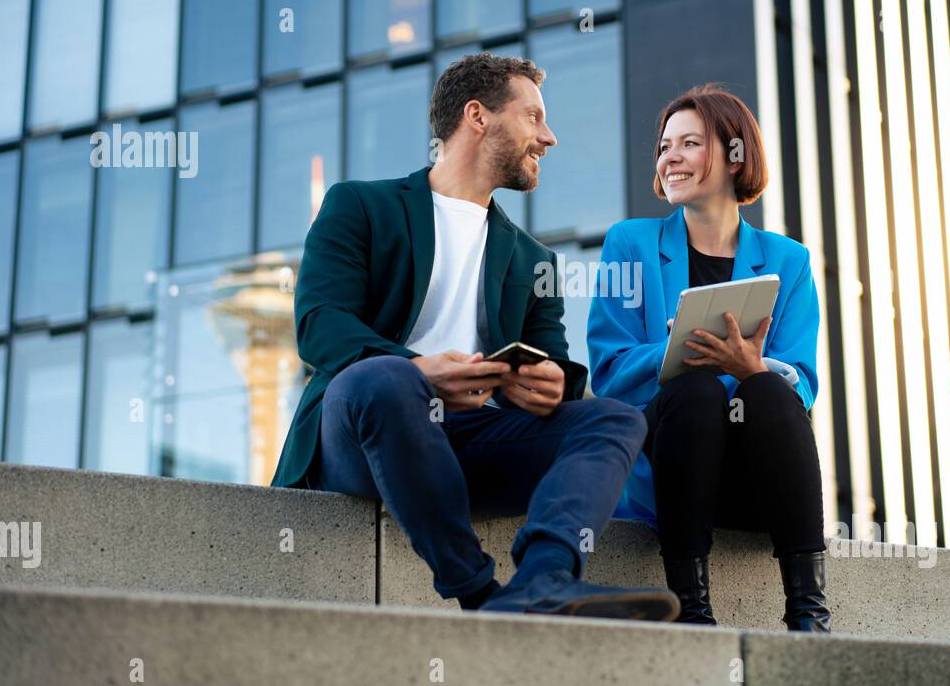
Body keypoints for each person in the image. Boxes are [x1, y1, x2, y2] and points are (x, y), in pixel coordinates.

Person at [271, 52, 678, 622]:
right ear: (477, 116)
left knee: (614, 418)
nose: (549, 137)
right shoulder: (360, 205)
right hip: (364, 431)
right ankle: (481, 592)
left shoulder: (533, 259)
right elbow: (321, 327)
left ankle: (545, 578)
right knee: (387, 377)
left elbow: (553, 364)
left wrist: (548, 385)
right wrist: (419, 371)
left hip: (475, 444)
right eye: (533, 117)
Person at [586, 83, 830, 632]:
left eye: (689, 143)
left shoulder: (788, 260)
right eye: (665, 146)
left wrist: (752, 367)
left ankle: (809, 613)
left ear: (734, 153)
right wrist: (672, 354)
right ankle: (692, 610)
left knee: (769, 388)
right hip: (670, 469)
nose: (670, 157)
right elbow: (607, 372)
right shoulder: (630, 243)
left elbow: (804, 381)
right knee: (693, 389)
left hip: (750, 476)